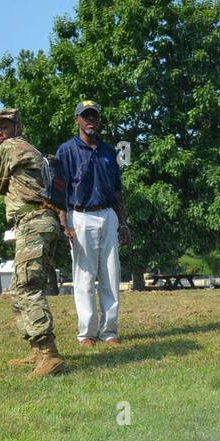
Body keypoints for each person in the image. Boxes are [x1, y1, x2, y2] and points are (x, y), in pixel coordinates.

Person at [0, 107, 65, 377]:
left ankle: (48, 353)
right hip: (45, 221)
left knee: (27, 287)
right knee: (20, 288)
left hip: (33, 221)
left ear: (17, 127)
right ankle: (35, 348)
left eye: (3, 126)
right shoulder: (34, 150)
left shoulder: (11, 147)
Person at [53, 100, 129, 345]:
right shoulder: (66, 151)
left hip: (107, 214)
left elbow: (118, 191)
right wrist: (64, 223)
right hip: (80, 215)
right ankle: (87, 333)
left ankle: (110, 332)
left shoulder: (109, 151)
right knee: (84, 277)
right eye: (85, 116)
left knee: (111, 275)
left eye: (94, 116)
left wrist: (124, 223)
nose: (90, 121)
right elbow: (59, 191)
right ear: (77, 120)